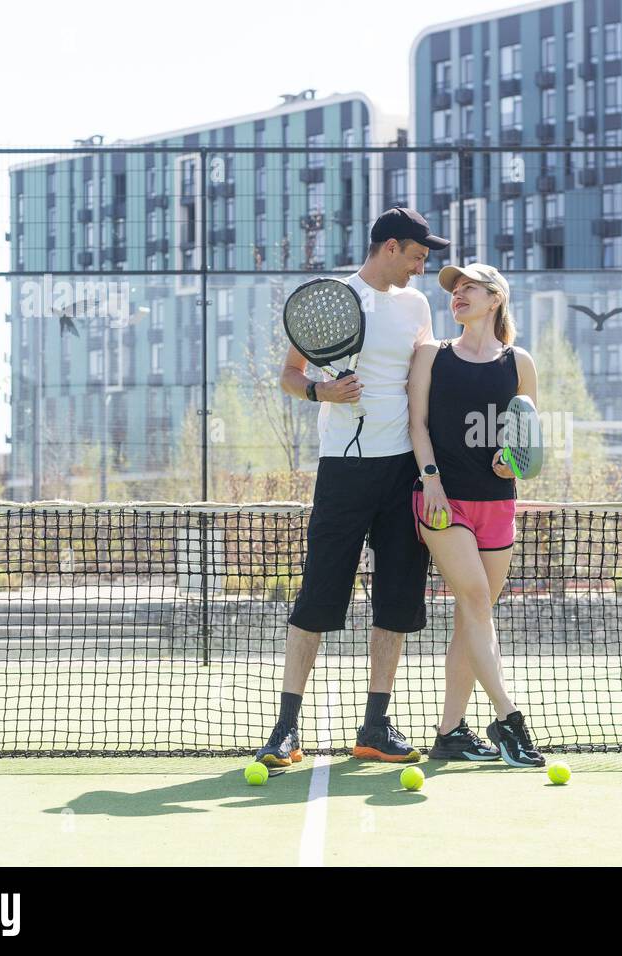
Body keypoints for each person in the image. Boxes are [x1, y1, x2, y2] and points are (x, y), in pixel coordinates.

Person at [255, 208, 448, 767]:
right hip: (343, 467)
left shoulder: (417, 305)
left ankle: (375, 726)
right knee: (318, 594)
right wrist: (322, 393)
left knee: (398, 599)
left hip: (405, 469)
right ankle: (285, 729)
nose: (420, 266)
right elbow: (290, 374)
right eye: (416, 255)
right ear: (390, 247)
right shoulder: (332, 299)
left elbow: (425, 376)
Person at [407, 262, 545, 768]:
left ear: (495, 299)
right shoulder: (432, 356)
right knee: (475, 599)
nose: (458, 295)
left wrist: (508, 458)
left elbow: (526, 439)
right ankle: (509, 719)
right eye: (454, 289)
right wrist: (432, 481)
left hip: (498, 504)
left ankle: (450, 732)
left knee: (472, 619)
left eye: (469, 288)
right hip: (443, 503)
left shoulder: (520, 363)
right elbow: (417, 426)